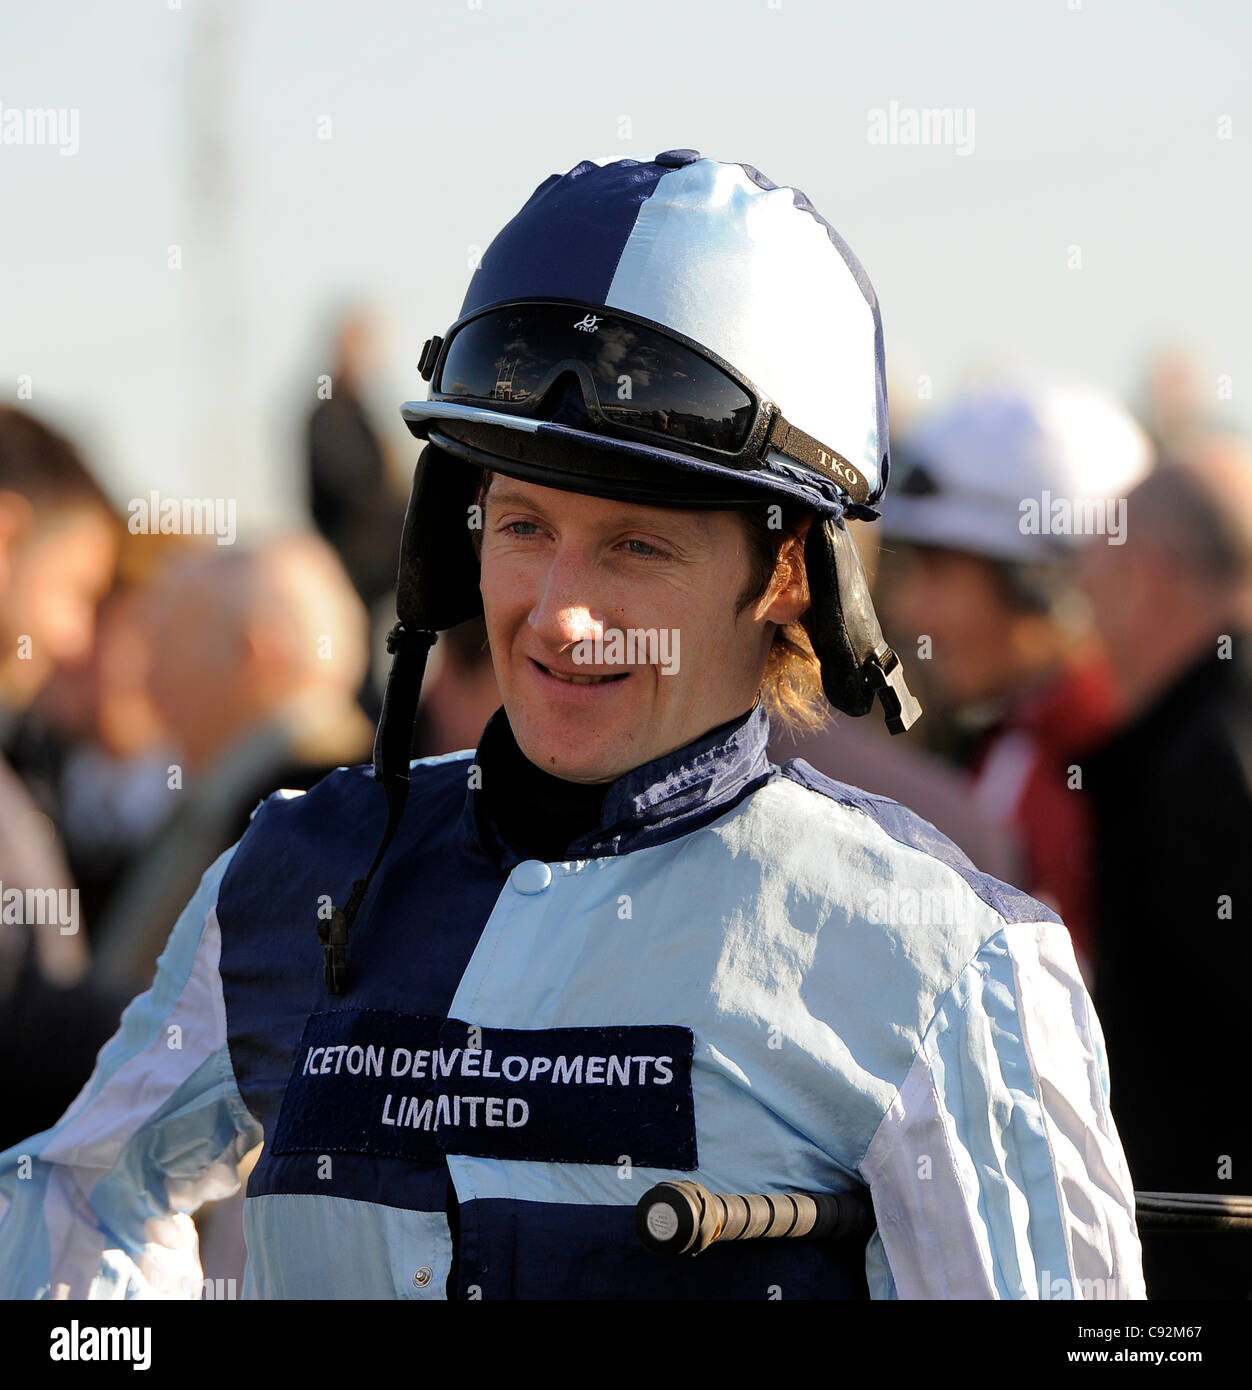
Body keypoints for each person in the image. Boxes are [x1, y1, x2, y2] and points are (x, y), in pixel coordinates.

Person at [0, 151, 1143, 1301]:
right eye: (524, 526)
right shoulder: (295, 868)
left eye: (635, 547)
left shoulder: (948, 959)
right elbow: (81, 1186)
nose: (557, 614)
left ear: (790, 569)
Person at [877, 384, 1153, 975]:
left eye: (939, 573)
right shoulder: (1012, 745)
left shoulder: (1116, 779)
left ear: (1040, 581)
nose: (911, 613)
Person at [1080, 436, 1252, 1300]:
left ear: (1148, 571)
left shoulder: (1207, 767)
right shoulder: (1193, 747)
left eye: (1097, 561)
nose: (1080, 592)